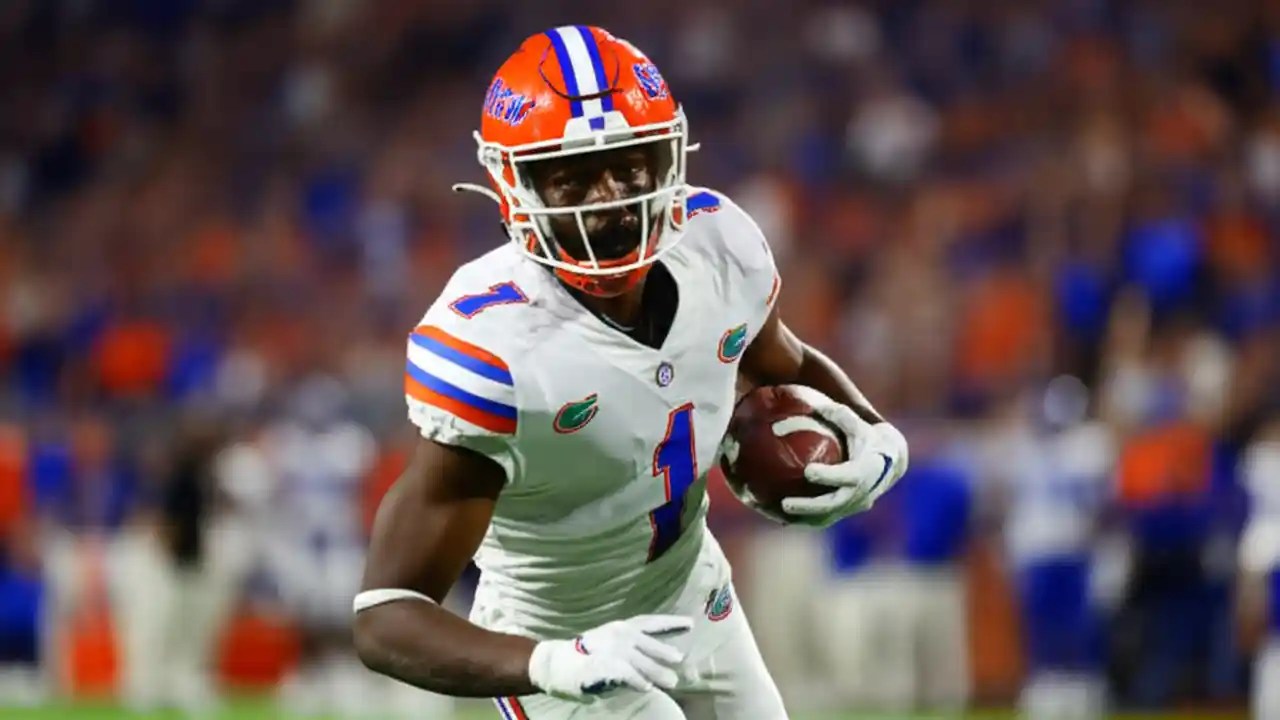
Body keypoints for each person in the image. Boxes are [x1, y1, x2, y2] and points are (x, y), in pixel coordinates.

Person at [352, 26, 909, 719]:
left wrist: (878, 436)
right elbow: (385, 616)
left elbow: (781, 364)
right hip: (559, 635)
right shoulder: (492, 347)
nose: (609, 198)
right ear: (515, 188)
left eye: (629, 166)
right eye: (571, 177)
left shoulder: (719, 247)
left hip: (693, 596)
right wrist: (550, 662)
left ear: (668, 159)